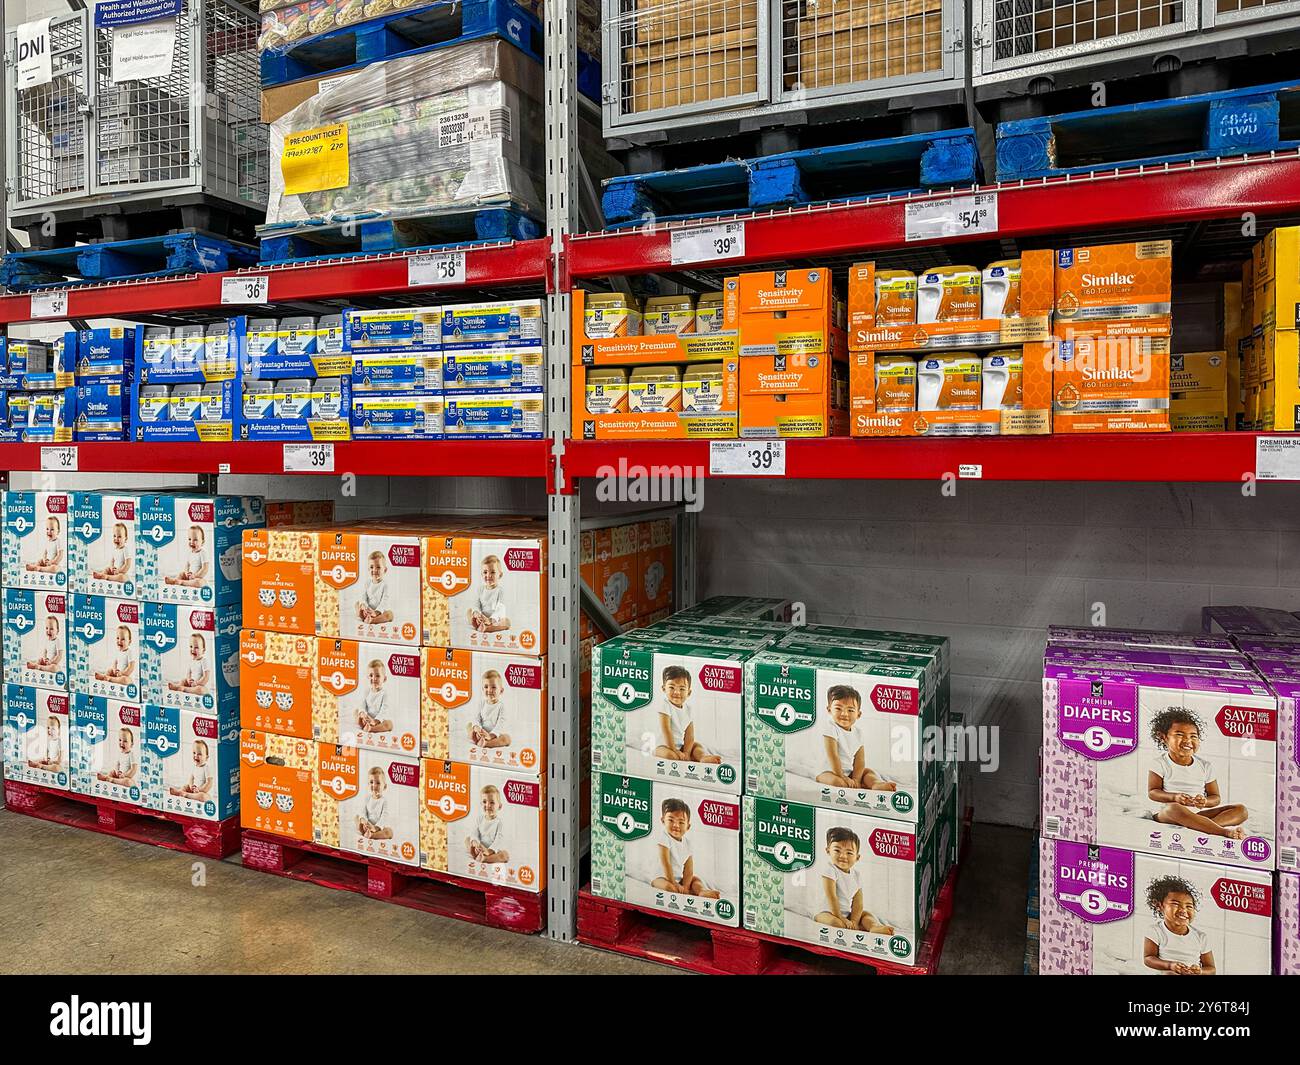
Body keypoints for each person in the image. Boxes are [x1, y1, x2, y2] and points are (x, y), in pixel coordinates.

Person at [1147, 708, 1247, 839]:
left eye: (1193, 736)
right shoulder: (1160, 763)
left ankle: (1201, 825)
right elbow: (1153, 792)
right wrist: (1174, 797)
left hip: (1196, 815)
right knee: (1174, 808)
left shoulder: (1205, 766)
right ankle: (1224, 832)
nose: (1188, 740)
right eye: (1180, 735)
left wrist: (1204, 801)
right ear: (1164, 737)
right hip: (1168, 814)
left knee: (1241, 810)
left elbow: (1215, 797)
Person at [812, 826, 893, 933]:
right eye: (837, 850)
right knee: (836, 924)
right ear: (828, 851)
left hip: (846, 913)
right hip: (826, 912)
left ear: (857, 857)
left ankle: (873, 927)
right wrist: (841, 918)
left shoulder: (856, 875)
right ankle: (854, 926)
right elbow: (832, 898)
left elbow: (858, 902)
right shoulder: (830, 870)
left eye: (849, 853)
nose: (843, 856)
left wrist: (854, 921)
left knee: (866, 914)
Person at [815, 684, 896, 792]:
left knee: (868, 772)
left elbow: (860, 760)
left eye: (850, 710)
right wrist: (842, 776)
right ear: (829, 710)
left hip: (848, 772)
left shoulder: (858, 733)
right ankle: (849, 782)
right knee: (838, 783)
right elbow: (833, 756)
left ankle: (876, 784)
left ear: (858, 714)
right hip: (828, 771)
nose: (844, 714)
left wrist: (856, 779)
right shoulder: (830, 728)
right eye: (838, 708)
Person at [1143, 875, 1216, 975]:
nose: (1183, 910)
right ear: (1159, 905)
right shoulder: (1156, 931)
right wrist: (1170, 966)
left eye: (1189, 906)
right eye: (1175, 904)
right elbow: (1148, 958)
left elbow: (1211, 969)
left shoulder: (1200, 937)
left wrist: (1200, 971)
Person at [648, 797, 719, 898]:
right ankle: (688, 893)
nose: (676, 825)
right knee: (670, 888)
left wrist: (685, 886)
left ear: (688, 826)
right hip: (661, 877)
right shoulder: (664, 838)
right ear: (663, 820)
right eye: (671, 820)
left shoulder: (687, 844)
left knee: (695, 879)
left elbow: (688, 869)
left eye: (681, 822)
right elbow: (666, 864)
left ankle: (701, 891)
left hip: (678, 878)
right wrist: (674, 883)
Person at [654, 665, 721, 765]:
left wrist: (686, 752)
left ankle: (702, 757)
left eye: (682, 689)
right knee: (671, 756)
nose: (676, 692)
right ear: (664, 688)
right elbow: (666, 730)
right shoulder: (665, 705)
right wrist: (674, 750)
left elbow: (689, 735)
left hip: (680, 745)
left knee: (696, 745)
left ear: (689, 692)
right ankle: (678, 755)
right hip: (664, 746)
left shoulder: (688, 710)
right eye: (671, 687)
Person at [466, 783, 510, 864]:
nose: (488, 805)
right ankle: (476, 854)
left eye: (492, 802)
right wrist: (476, 843)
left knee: (505, 855)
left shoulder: (499, 822)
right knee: (468, 839)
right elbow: (474, 832)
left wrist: (489, 851)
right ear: (481, 804)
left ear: (499, 806)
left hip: (492, 850)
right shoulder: (479, 819)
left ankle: (485, 859)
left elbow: (499, 839)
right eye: (484, 802)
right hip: (480, 846)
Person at [469, 669, 511, 750]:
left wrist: (491, 735)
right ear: (482, 689)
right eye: (486, 687)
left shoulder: (501, 706)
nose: (489, 690)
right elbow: (476, 718)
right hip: (482, 731)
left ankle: (486, 743)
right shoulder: (481, 703)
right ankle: (480, 739)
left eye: (494, 687)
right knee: (471, 731)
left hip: (495, 734)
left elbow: (501, 724)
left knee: (507, 739)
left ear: (501, 691)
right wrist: (477, 728)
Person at [468, 554, 510, 634]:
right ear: (481, 574)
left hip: (493, 618)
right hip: (482, 616)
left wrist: (491, 619)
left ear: (500, 575)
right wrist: (477, 613)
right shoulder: (480, 589)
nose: (488, 575)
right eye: (485, 572)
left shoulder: (500, 591)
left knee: (507, 622)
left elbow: (501, 608)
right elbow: (476, 604)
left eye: (493, 572)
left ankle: (487, 628)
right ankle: (477, 623)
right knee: (469, 611)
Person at [356, 659, 393, 735]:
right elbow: (362, 705)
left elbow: (384, 710)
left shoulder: (385, 693)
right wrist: (363, 714)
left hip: (379, 719)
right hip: (368, 717)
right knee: (356, 711)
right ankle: (363, 723)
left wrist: (376, 720)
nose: (374, 678)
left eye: (378, 676)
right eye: (371, 675)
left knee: (389, 724)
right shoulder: (366, 691)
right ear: (367, 677)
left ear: (384, 679)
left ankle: (371, 728)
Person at [357, 551, 393, 625]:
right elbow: (363, 597)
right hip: (369, 609)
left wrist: (376, 612)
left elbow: (384, 602)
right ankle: (364, 615)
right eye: (371, 567)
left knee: (390, 615)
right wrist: (364, 606)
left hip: (380, 611)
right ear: (368, 569)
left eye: (378, 567)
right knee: (357, 603)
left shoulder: (385, 585)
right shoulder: (367, 583)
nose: (374, 570)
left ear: (385, 570)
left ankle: (373, 620)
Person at [357, 766, 393, 839]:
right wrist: (364, 821)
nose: (374, 785)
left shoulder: (384, 801)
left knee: (389, 832)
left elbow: (384, 817)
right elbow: (363, 812)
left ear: (385, 786)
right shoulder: (367, 798)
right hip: (368, 824)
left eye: (378, 783)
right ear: (368, 784)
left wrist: (376, 827)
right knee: (357, 817)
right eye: (371, 782)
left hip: (378, 827)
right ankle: (365, 830)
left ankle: (372, 835)